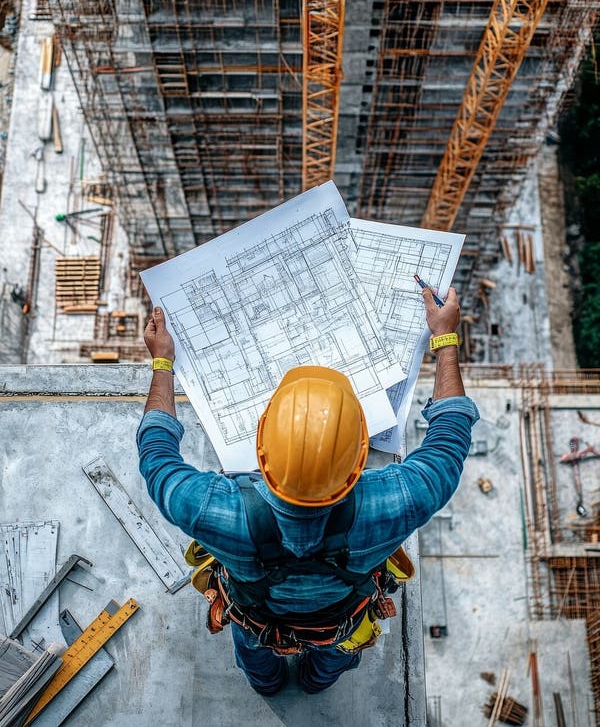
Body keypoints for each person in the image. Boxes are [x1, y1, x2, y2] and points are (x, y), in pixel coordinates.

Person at [138, 287, 479, 695]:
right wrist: (444, 338)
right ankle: (317, 682)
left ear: (261, 445)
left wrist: (163, 361)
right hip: (341, 622)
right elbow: (450, 433)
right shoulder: (397, 502)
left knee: (256, 659)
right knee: (331, 662)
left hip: (254, 617)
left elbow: (156, 454)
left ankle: (267, 684)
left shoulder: (211, 509)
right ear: (360, 459)